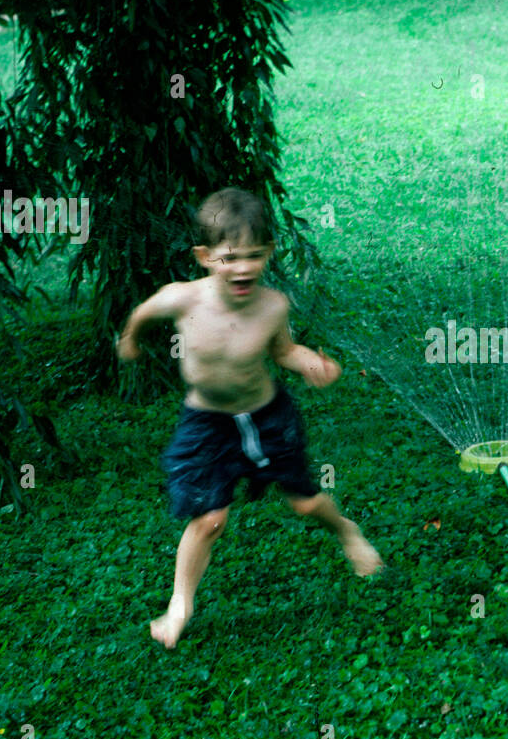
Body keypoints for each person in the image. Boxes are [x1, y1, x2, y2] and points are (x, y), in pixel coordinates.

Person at [117, 188, 383, 649]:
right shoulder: (181, 300)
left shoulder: (273, 306)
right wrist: (131, 340)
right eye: (230, 257)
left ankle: (347, 531)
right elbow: (142, 313)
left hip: (266, 416)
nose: (243, 268)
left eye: (254, 256)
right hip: (206, 424)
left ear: (269, 253)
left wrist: (313, 365)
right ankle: (180, 605)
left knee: (303, 502)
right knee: (209, 518)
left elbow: (283, 351)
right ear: (203, 256)